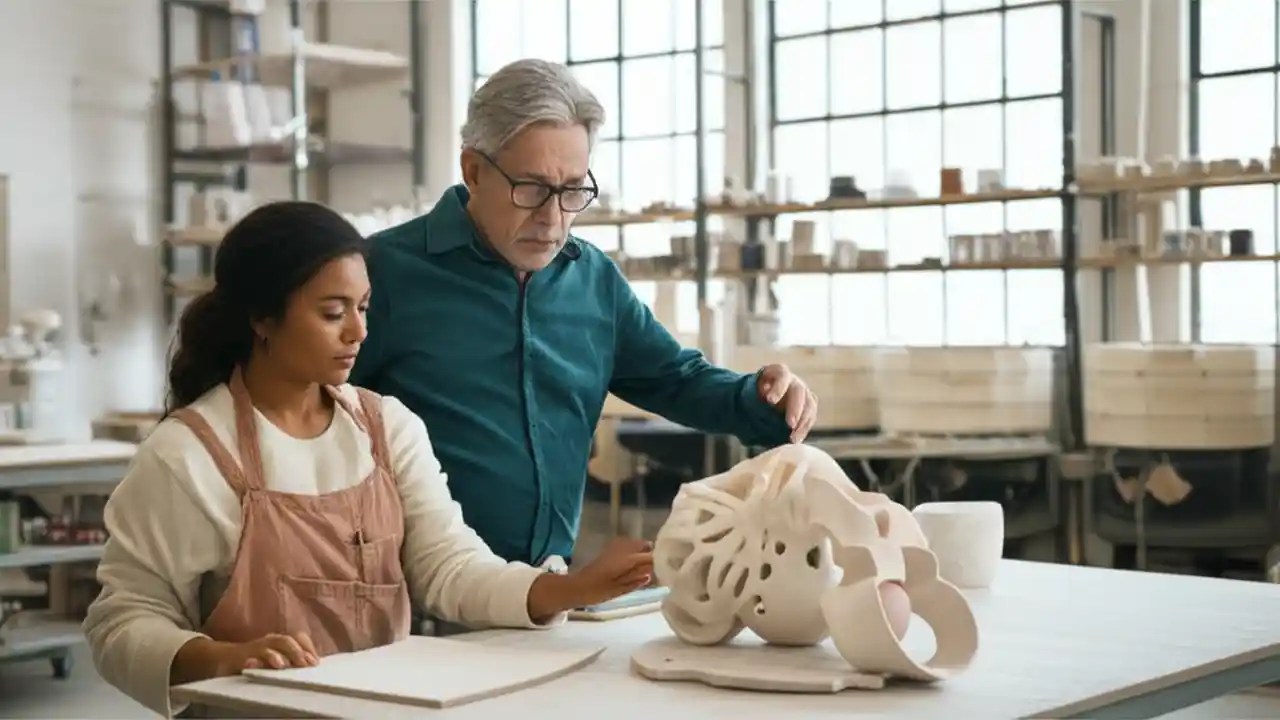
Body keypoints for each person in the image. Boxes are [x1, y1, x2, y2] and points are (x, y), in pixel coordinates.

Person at [82, 202, 653, 718]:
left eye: (363, 307)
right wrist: (221, 657)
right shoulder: (189, 454)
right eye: (332, 313)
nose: (358, 331)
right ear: (262, 318)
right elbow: (122, 621)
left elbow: (449, 567)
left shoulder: (387, 428)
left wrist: (571, 590)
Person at [350, 58, 819, 569]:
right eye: (530, 188)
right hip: (413, 602)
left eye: (573, 190)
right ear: (473, 170)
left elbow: (676, 379)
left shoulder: (593, 280)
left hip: (548, 591)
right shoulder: (383, 274)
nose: (553, 219)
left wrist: (761, 400)